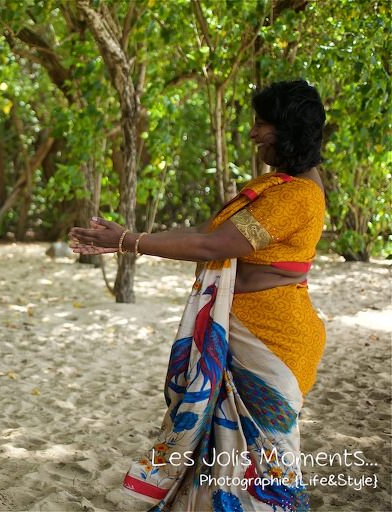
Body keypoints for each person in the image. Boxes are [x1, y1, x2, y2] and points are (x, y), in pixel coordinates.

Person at [69, 80, 327, 511]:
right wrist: (128, 239)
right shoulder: (279, 185)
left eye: (262, 124)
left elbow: (212, 245)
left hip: (273, 341)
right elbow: (207, 232)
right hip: (252, 334)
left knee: (265, 472)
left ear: (288, 129)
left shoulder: (295, 197)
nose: (253, 133)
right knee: (225, 463)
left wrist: (130, 241)